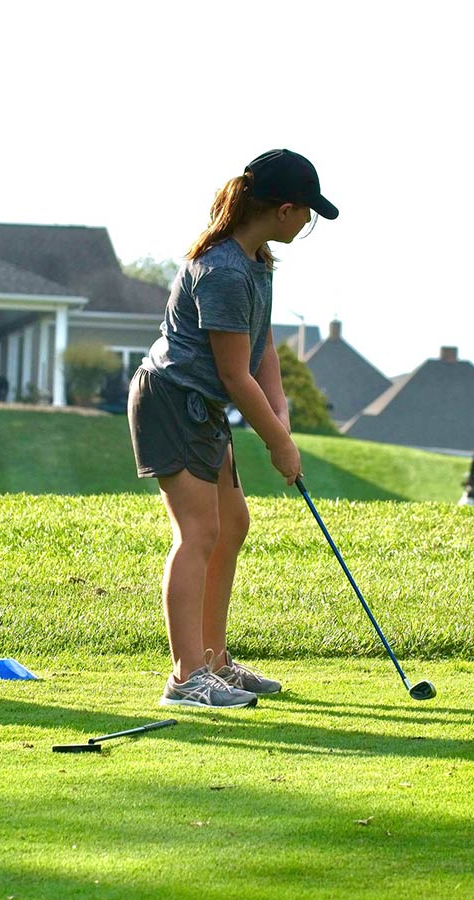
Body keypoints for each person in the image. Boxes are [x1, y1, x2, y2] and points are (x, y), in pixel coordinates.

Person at [128, 149, 337, 708]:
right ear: (284, 209)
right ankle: (185, 676)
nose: (308, 223)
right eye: (307, 213)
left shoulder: (256, 263)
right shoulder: (222, 270)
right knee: (198, 533)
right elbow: (230, 372)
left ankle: (215, 661)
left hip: (201, 404)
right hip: (172, 400)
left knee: (232, 524)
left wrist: (282, 416)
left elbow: (260, 347)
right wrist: (278, 442)